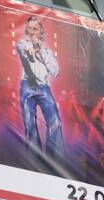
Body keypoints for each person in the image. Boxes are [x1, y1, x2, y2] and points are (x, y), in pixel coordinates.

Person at [15, 16, 66, 161]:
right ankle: (34, 160)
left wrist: (41, 53)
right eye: (29, 28)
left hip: (44, 87)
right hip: (27, 85)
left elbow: (55, 72)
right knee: (29, 122)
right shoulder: (21, 44)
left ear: (40, 32)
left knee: (55, 121)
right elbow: (26, 58)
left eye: (35, 29)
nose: (31, 32)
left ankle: (53, 158)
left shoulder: (47, 51)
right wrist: (31, 53)